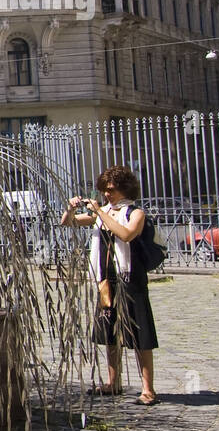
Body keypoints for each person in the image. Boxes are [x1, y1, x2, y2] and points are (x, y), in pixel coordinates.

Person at [61, 165, 158, 406]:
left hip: (131, 280)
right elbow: (67, 223)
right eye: (104, 190)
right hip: (106, 280)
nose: (107, 194)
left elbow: (125, 235)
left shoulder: (135, 213)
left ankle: (148, 389)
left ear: (124, 189)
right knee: (110, 333)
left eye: (111, 190)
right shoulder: (102, 212)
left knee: (140, 335)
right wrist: (71, 208)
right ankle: (113, 382)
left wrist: (100, 213)